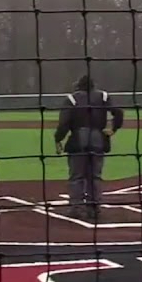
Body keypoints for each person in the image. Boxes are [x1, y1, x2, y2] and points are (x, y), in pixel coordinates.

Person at [53, 75, 124, 221]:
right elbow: (118, 113)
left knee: (77, 176)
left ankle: (76, 208)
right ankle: (94, 207)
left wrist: (58, 139)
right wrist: (113, 129)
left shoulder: (72, 99)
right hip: (98, 141)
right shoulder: (103, 96)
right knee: (95, 176)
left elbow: (64, 124)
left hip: (78, 141)